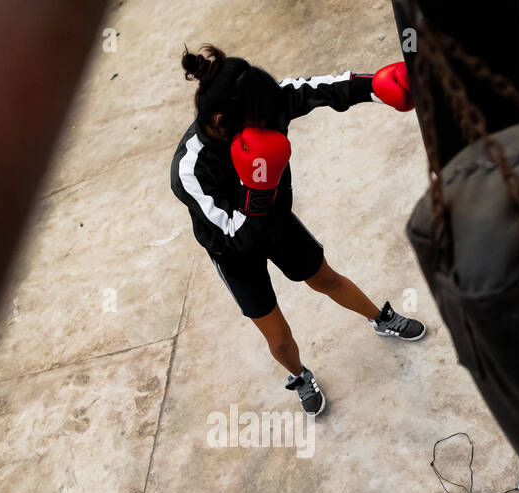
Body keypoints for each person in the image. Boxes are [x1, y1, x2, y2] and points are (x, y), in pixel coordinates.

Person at [170, 44, 425, 417]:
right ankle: (300, 376)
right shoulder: (190, 170)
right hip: (234, 252)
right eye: (262, 123)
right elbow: (232, 232)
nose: (272, 124)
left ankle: (380, 319)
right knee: (278, 335)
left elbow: (328, 88)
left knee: (327, 279)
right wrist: (259, 191)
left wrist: (379, 87)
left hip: (276, 224)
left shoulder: (264, 104)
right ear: (225, 123)